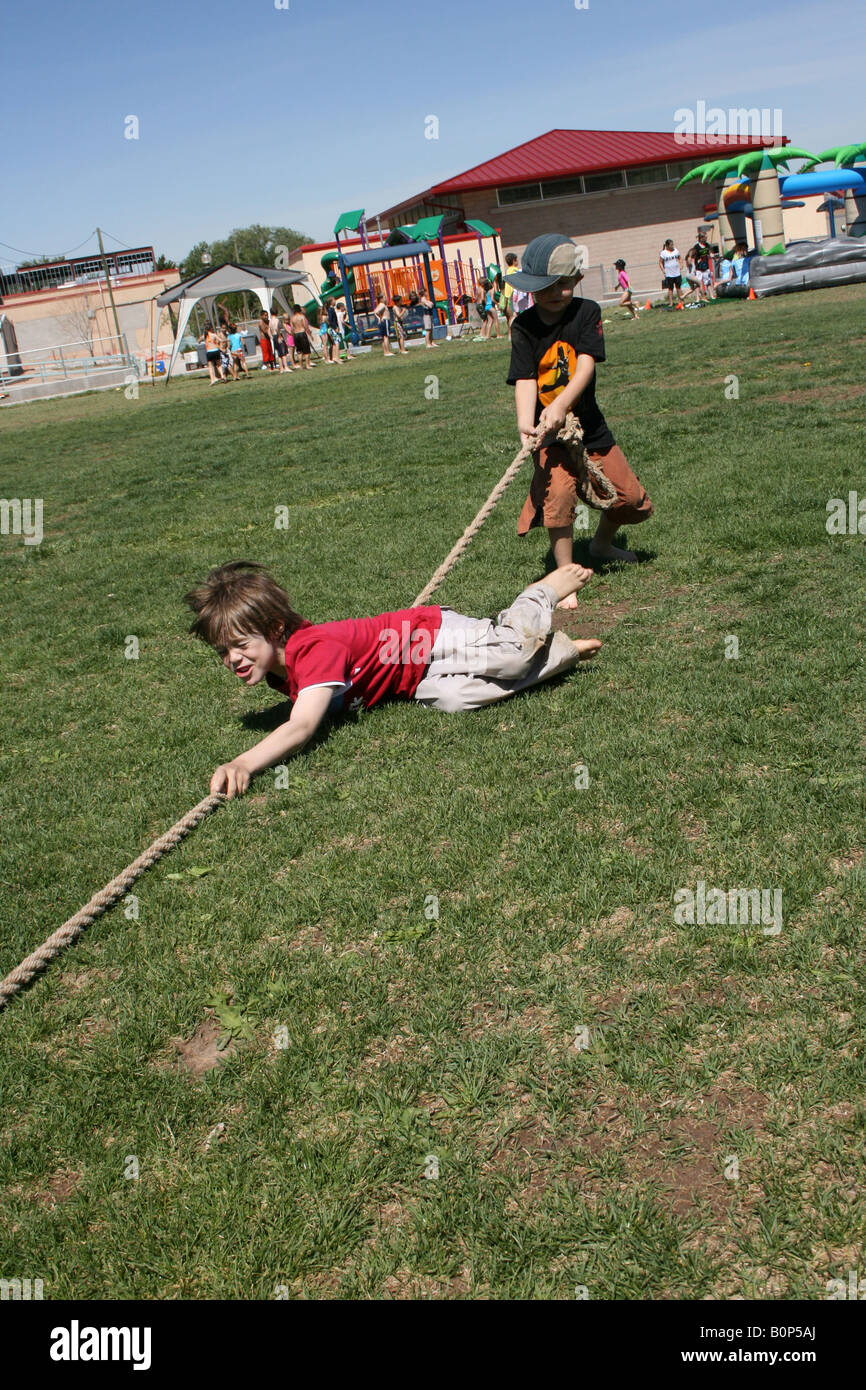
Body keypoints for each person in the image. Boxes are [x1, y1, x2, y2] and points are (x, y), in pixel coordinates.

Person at [185, 559, 602, 798]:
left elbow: (302, 725)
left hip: (428, 637)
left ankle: (541, 593)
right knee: (457, 700)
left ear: (276, 629)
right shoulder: (281, 668)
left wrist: (243, 762)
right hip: (415, 681)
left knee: (510, 657)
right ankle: (561, 654)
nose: (232, 659)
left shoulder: (312, 649)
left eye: (240, 645)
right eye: (222, 651)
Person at [505, 233, 654, 596]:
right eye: (545, 287)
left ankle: (601, 546)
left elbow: (585, 364)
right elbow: (524, 378)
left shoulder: (587, 313)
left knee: (630, 498)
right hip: (550, 435)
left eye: (563, 285)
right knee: (558, 498)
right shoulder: (523, 326)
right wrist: (526, 422)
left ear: (577, 280)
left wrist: (560, 404)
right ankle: (565, 577)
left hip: (590, 428)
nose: (555, 293)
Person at [687, 229, 716, 301]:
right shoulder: (696, 247)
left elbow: (710, 252)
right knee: (698, 283)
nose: (706, 239)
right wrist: (692, 265)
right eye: (705, 238)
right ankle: (697, 298)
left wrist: (712, 255)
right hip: (698, 268)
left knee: (708, 282)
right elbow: (692, 256)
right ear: (701, 238)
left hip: (706, 267)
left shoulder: (707, 245)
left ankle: (712, 295)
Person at [659, 239, 684, 309]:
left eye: (672, 244)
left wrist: (681, 264)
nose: (672, 246)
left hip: (677, 273)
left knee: (678, 287)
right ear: (667, 245)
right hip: (669, 274)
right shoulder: (663, 253)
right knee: (670, 288)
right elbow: (660, 262)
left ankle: (682, 301)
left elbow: (680, 258)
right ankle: (671, 302)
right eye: (671, 245)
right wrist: (663, 270)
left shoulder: (676, 251)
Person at [290, 305, 313, 369]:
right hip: (302, 333)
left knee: (299, 351)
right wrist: (310, 335)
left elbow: (292, 328)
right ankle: (307, 365)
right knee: (306, 351)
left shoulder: (292, 318)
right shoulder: (302, 317)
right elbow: (305, 326)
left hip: (296, 334)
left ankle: (301, 366)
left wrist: (292, 335)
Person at [372, 292, 394, 357]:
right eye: (385, 297)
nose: (386, 299)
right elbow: (377, 312)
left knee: (383, 337)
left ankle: (385, 351)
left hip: (382, 321)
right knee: (386, 336)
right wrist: (380, 317)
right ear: (381, 299)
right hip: (385, 321)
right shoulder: (382, 305)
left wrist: (379, 318)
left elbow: (375, 311)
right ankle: (387, 351)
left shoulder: (379, 305)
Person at [502, 253, 519, 335]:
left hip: (508, 296)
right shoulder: (514, 270)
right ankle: (513, 332)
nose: (518, 262)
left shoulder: (508, 270)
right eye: (517, 260)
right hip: (513, 296)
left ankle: (510, 334)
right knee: (514, 316)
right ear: (514, 261)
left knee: (510, 317)